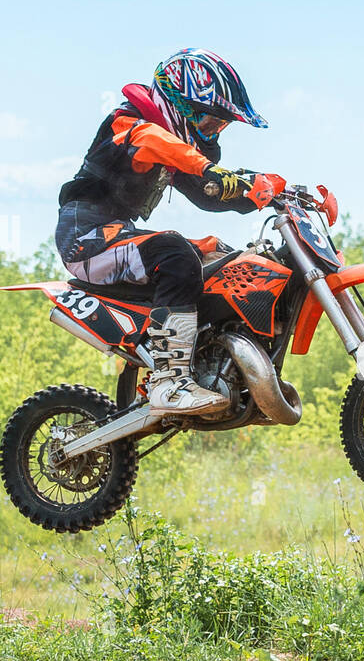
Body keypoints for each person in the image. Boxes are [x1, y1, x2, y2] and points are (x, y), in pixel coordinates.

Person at [55, 48, 286, 414]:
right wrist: (211, 170)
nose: (212, 133)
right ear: (179, 104)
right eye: (210, 122)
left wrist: (276, 193)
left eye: (220, 127)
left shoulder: (173, 150)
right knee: (176, 252)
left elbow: (207, 194)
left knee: (222, 256)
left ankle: (213, 363)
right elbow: (156, 142)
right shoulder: (129, 125)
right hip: (86, 239)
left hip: (117, 234)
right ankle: (168, 381)